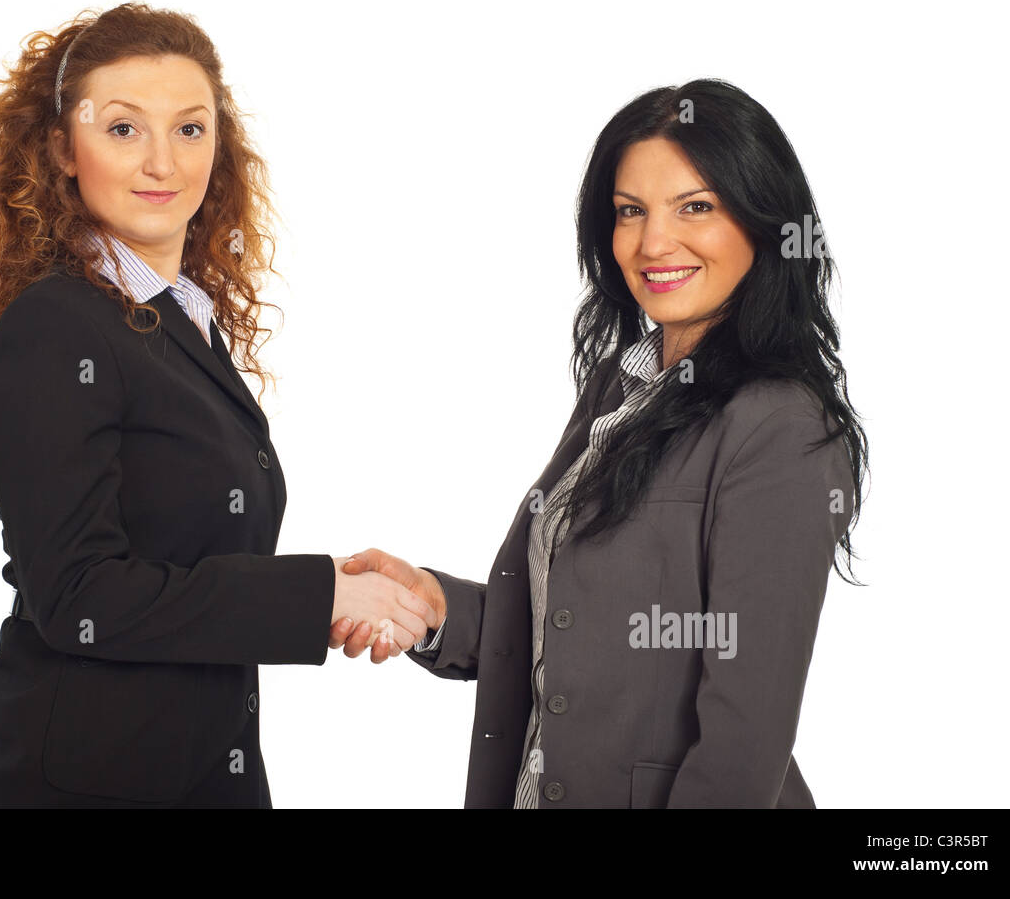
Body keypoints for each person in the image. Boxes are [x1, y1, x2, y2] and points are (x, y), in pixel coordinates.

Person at [0, 2, 435, 807]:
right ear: (65, 148)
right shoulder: (59, 322)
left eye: (191, 129)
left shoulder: (178, 320)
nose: (162, 163)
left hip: (206, 772)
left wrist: (333, 599)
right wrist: (316, 599)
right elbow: (79, 595)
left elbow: (187, 566)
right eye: (124, 129)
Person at [337, 79, 869, 808]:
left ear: (766, 224)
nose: (653, 242)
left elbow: (744, 743)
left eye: (696, 207)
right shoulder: (626, 388)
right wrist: (438, 612)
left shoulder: (779, 426)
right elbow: (592, 629)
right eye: (630, 212)